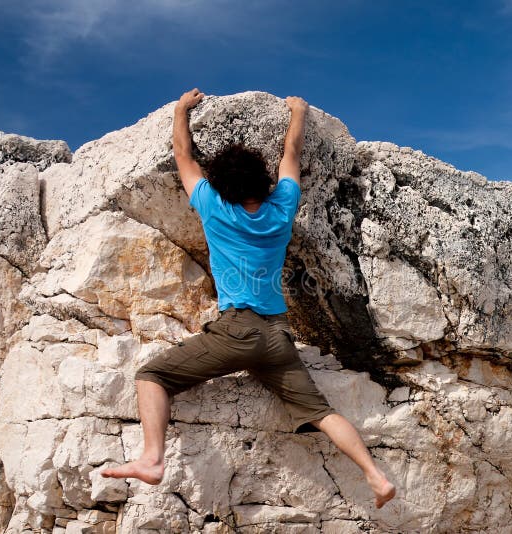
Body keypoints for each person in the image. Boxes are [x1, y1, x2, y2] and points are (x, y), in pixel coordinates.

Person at [101, 88, 396, 509]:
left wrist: (182, 109)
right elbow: (290, 157)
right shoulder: (281, 208)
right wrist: (297, 113)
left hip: (236, 330)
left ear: (220, 184)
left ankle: (151, 459)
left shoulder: (214, 207)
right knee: (320, 412)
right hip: (277, 334)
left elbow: (183, 156)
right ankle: (377, 477)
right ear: (263, 180)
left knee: (152, 377)